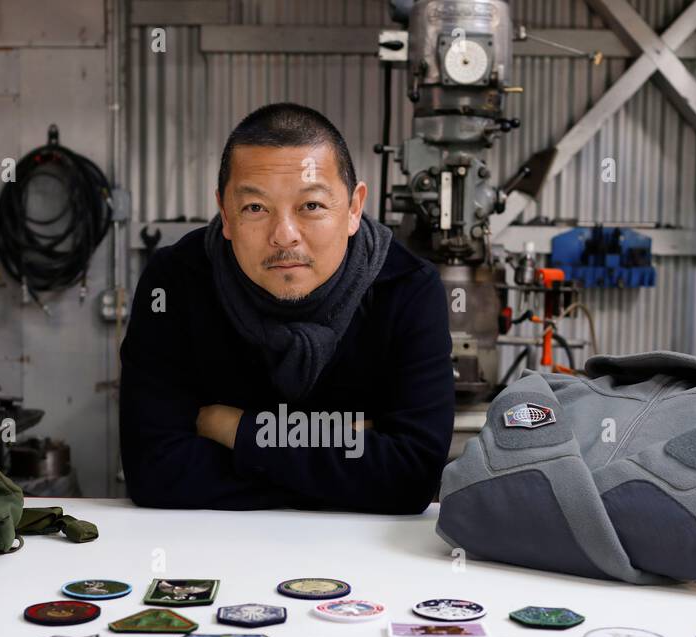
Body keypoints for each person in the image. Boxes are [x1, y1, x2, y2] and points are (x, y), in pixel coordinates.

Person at [118, 102, 454, 514]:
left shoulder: (406, 288)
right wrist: (343, 450)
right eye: (255, 208)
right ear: (224, 212)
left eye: (311, 206)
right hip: (212, 547)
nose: (285, 236)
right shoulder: (174, 282)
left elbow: (410, 477)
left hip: (363, 556)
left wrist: (234, 428)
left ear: (352, 208)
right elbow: (155, 473)